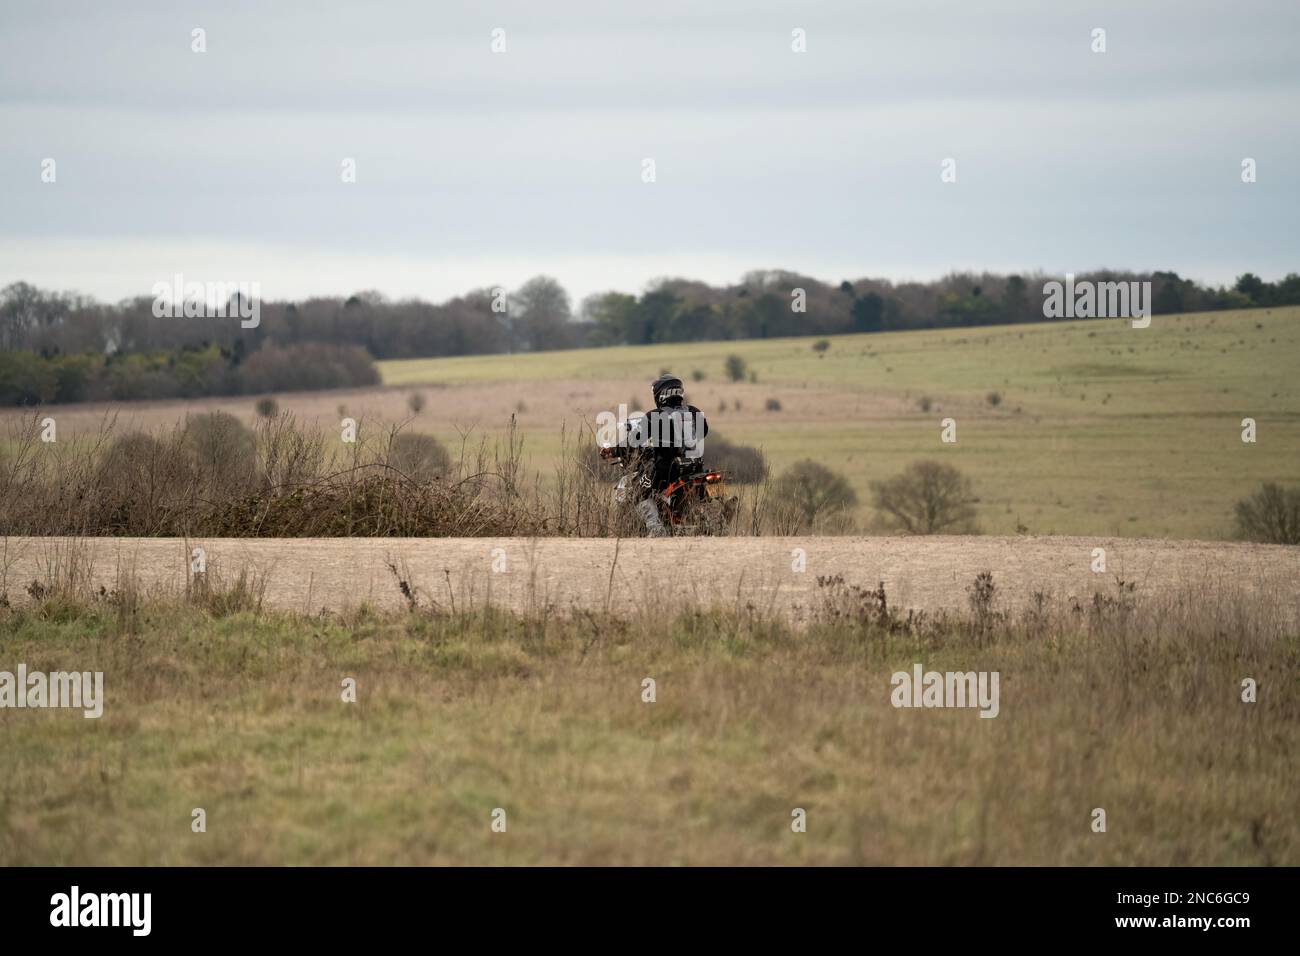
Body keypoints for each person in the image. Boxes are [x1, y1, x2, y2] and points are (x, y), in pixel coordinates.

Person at [614, 373, 709, 536]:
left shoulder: (654, 416)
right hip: (695, 468)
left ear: (660, 395)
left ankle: (655, 527)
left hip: (666, 471)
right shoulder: (694, 411)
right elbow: (703, 432)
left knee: (636, 490)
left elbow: (634, 441)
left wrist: (617, 450)